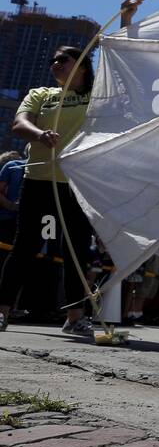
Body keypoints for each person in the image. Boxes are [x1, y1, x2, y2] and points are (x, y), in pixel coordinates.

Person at [0, 43, 106, 333]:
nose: (55, 63)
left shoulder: (97, 96)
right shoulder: (41, 94)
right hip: (38, 181)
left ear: (82, 65)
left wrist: (126, 19)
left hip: (77, 185)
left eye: (63, 59)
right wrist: (39, 134)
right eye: (53, 60)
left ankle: (74, 318)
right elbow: (19, 124)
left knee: (75, 251)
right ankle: (2, 311)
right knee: (25, 247)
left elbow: (123, 67)